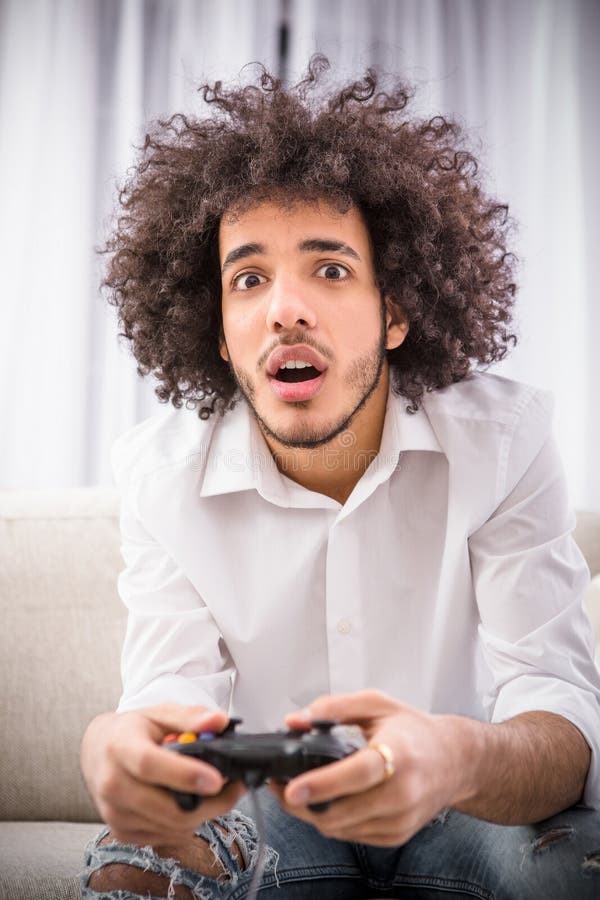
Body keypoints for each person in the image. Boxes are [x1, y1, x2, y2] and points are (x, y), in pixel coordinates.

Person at [80, 57, 600, 899]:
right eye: (249, 279)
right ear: (218, 332)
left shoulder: (505, 442)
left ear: (396, 311)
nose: (285, 307)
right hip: (270, 816)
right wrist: (112, 742)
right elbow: (169, 695)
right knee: (134, 871)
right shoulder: (158, 476)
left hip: (474, 807)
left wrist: (454, 757)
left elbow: (561, 713)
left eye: (329, 269)